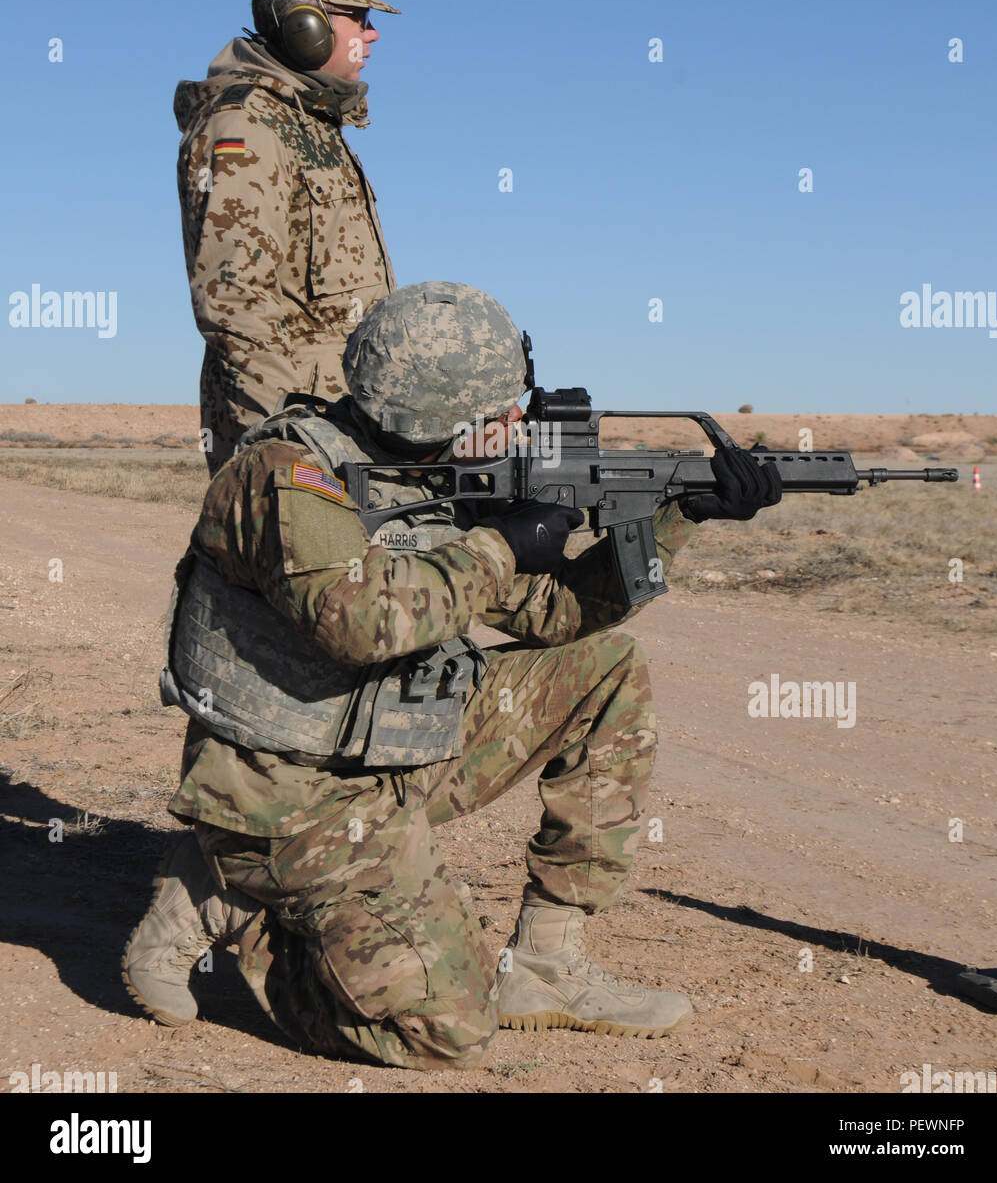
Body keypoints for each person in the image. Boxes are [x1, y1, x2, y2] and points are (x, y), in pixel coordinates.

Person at [123, 282, 783, 1070]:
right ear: (433, 418)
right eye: (497, 412)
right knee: (446, 1033)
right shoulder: (287, 473)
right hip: (289, 790)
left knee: (605, 670)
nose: (515, 424)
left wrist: (679, 519)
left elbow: (555, 618)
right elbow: (360, 623)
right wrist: (502, 545)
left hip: (398, 747)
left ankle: (546, 961)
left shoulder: (441, 471)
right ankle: (233, 899)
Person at [175, 0, 399, 475]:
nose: (372, 34)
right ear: (307, 26)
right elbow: (234, 303)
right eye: (359, 16)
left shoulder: (305, 123)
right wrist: (292, 443)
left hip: (338, 424)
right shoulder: (247, 125)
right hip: (298, 435)